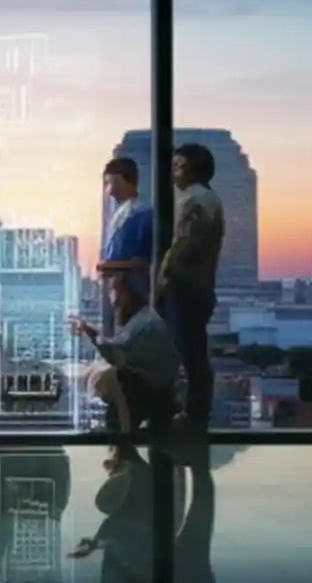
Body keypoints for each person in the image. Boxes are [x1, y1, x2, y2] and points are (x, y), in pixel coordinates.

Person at [71, 267, 180, 472]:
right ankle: (126, 456)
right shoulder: (144, 320)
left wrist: (88, 332)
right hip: (157, 390)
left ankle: (126, 454)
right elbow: (116, 347)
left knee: (111, 378)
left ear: (129, 293)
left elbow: (116, 354)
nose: (114, 301)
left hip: (154, 392)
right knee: (111, 396)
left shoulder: (143, 324)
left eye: (116, 292)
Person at [157, 143, 225, 431]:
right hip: (192, 284)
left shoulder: (197, 201)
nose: (174, 170)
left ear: (196, 169)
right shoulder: (196, 198)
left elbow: (184, 246)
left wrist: (164, 277)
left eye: (180, 165)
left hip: (187, 285)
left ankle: (194, 414)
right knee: (187, 349)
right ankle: (190, 413)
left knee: (189, 351)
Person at [98, 158, 153, 336]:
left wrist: (113, 266)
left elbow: (145, 260)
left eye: (111, 182)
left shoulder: (139, 214)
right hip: (121, 287)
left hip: (133, 289)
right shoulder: (121, 214)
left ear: (125, 181)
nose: (109, 189)